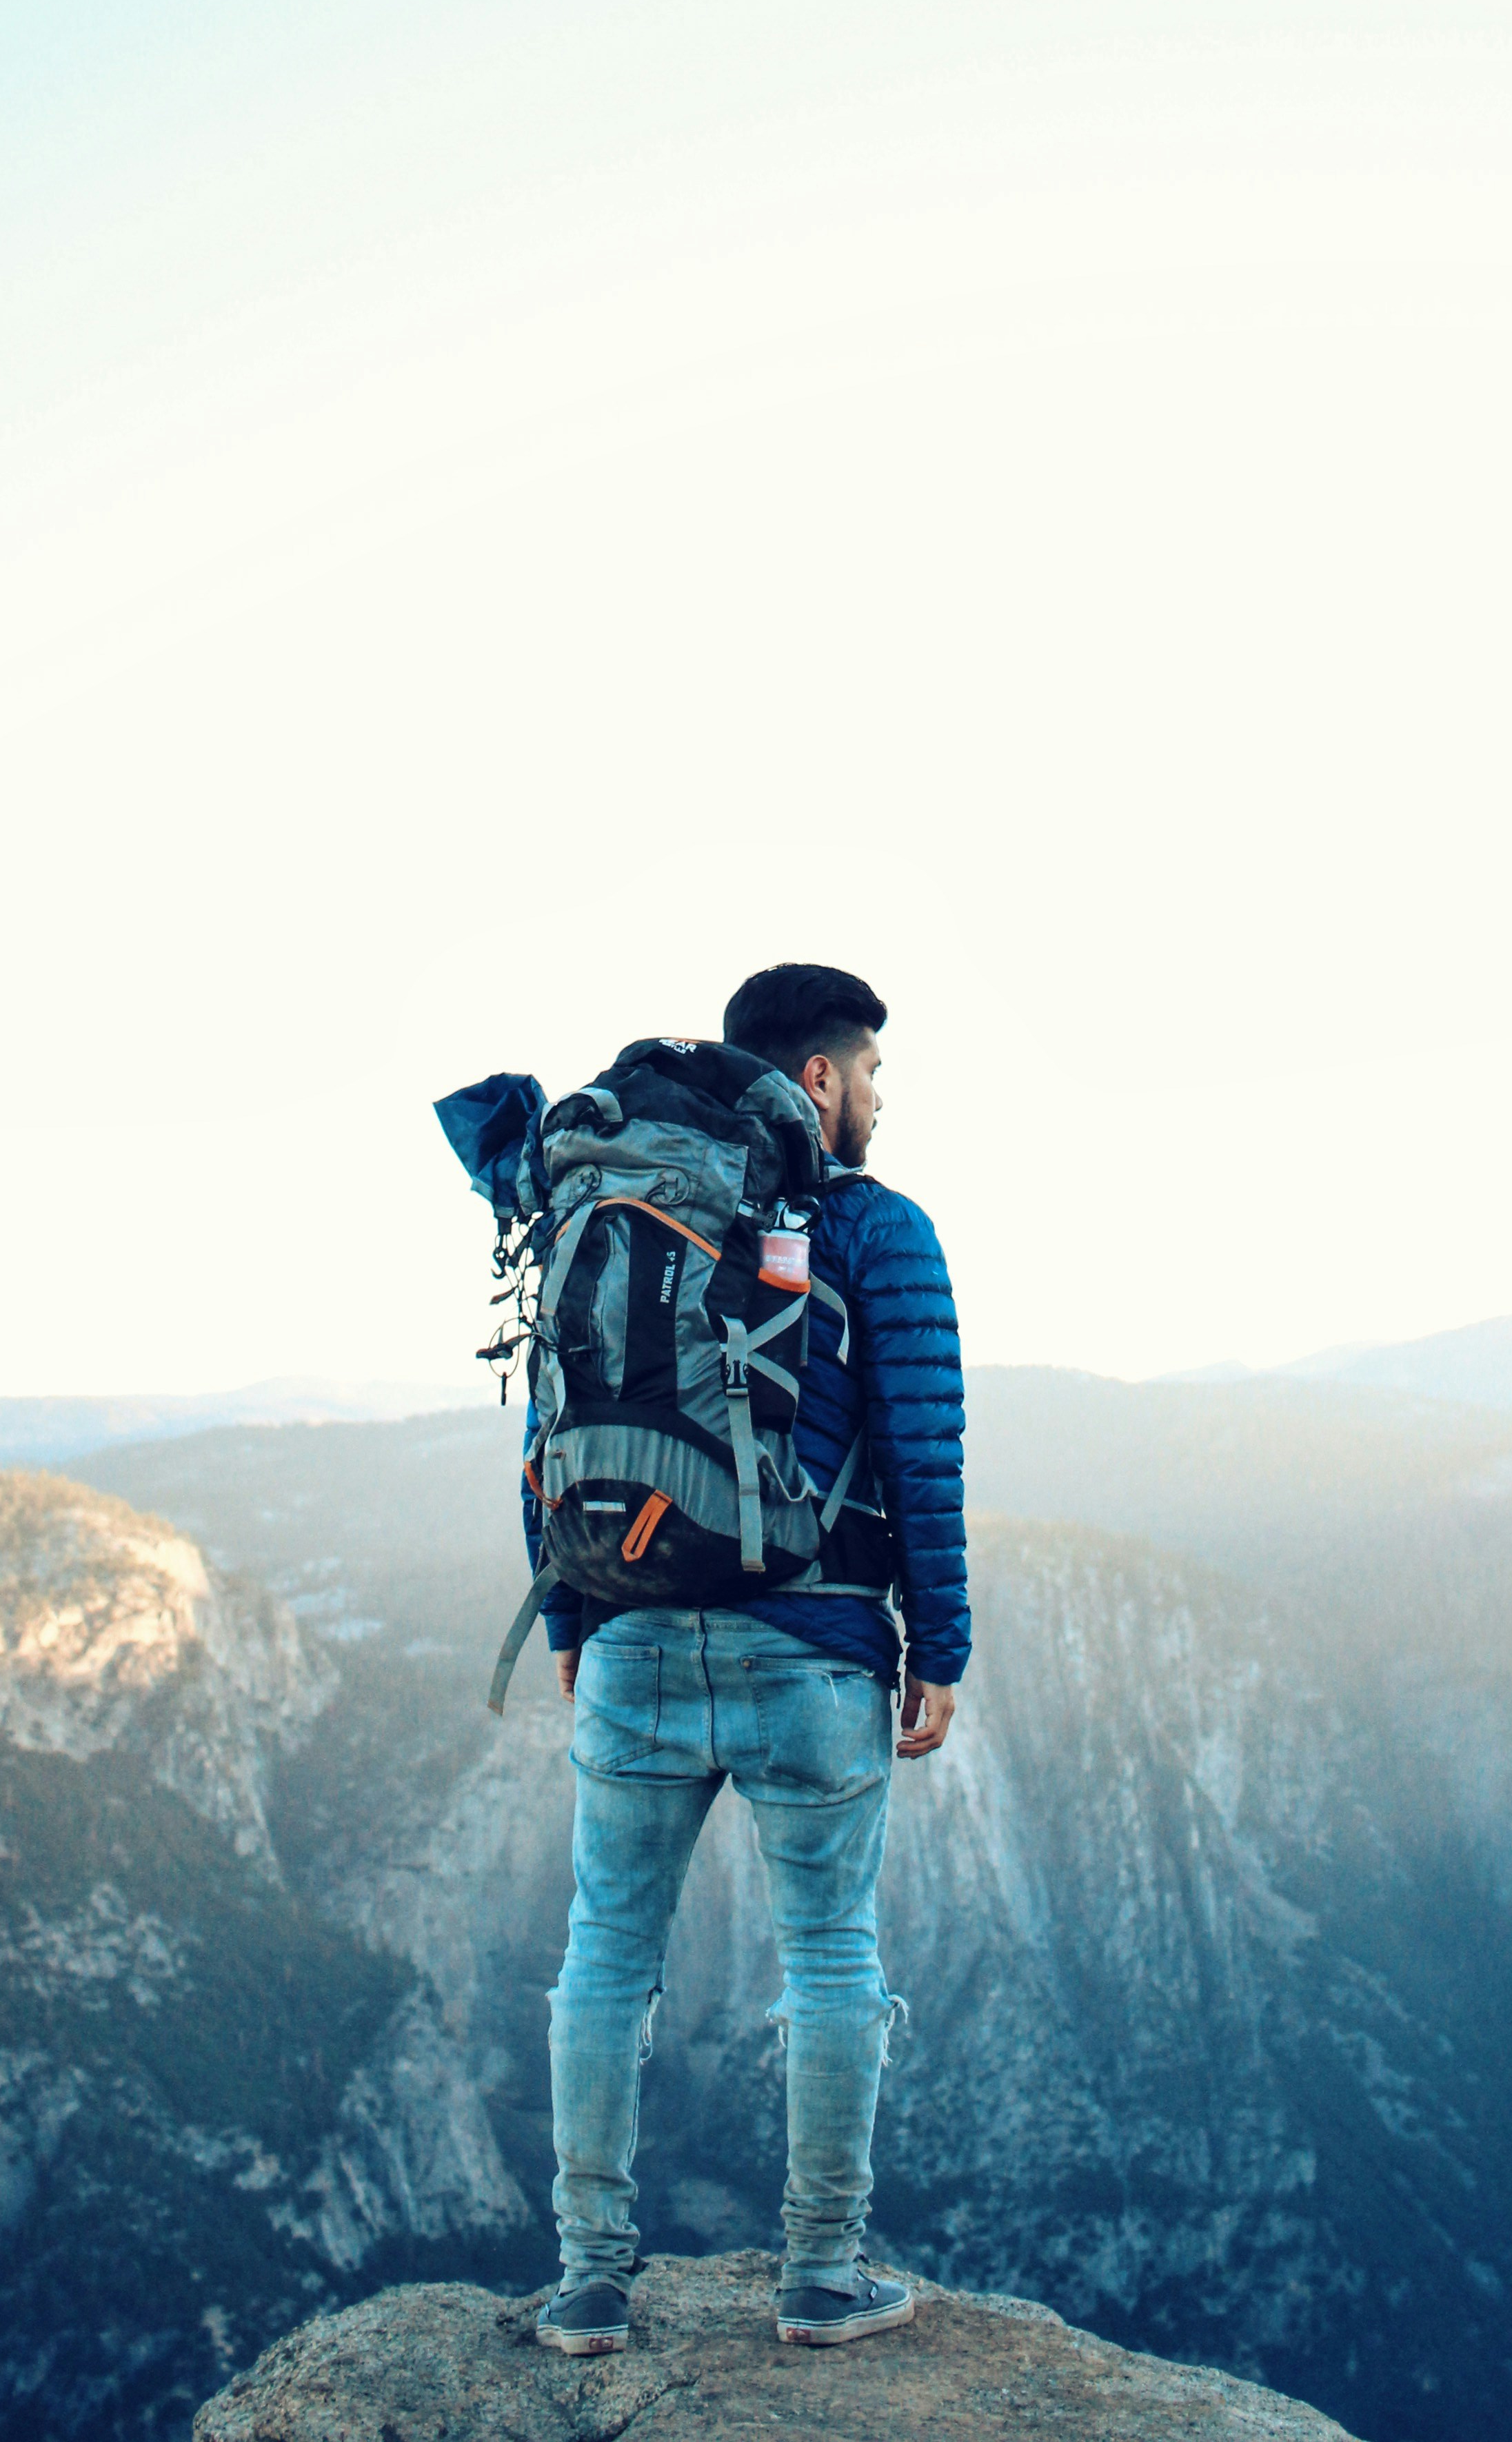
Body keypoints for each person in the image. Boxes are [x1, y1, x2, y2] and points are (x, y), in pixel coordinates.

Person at [529, 962, 971, 2358]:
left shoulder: (617, 1203)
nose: (883, 1105)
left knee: (606, 1953)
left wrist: (568, 1617)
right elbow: (923, 1451)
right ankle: (821, 2277)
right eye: (874, 1079)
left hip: (635, 1635)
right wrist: (938, 1645)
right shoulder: (878, 1230)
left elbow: (550, 1417)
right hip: (815, 1643)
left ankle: (592, 2281)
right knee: (832, 1956)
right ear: (822, 1079)